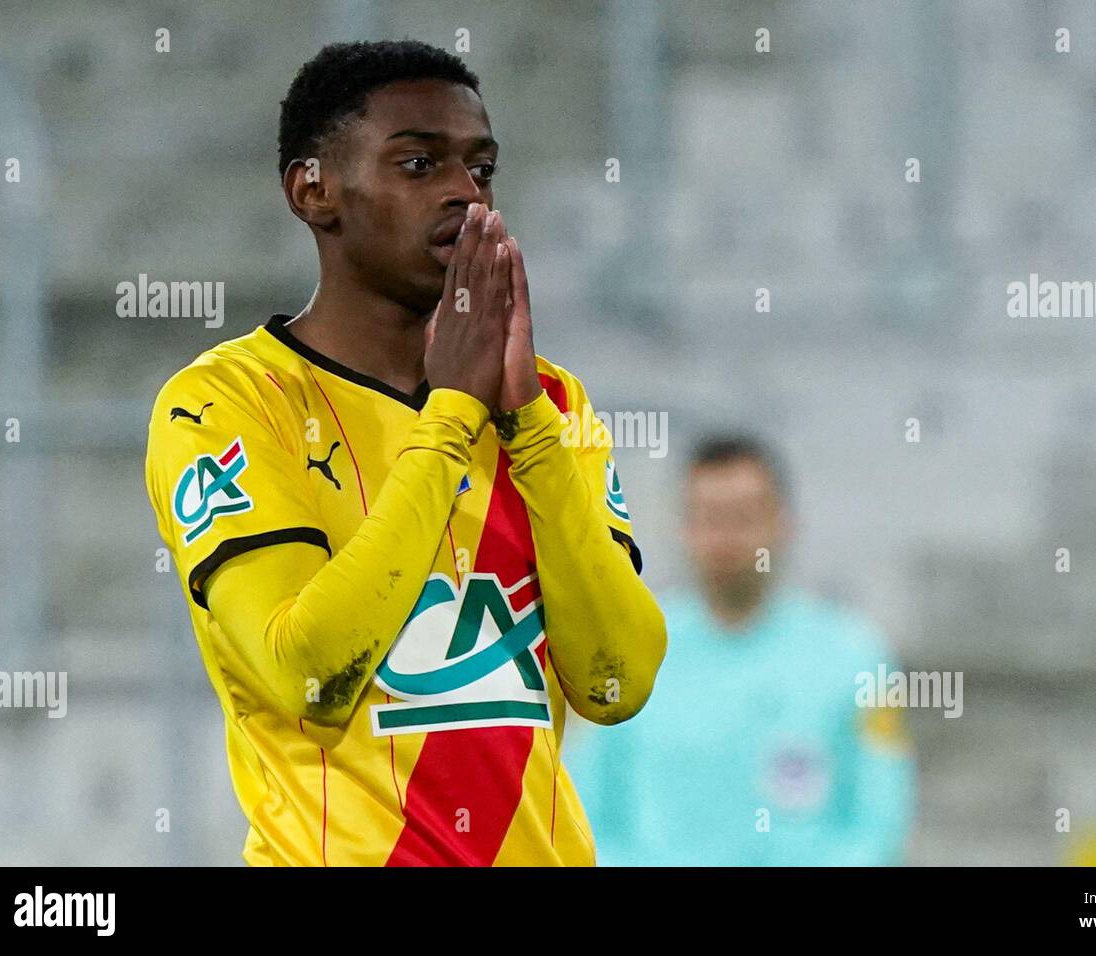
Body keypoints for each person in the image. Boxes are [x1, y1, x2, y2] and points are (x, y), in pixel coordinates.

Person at [142, 40, 666, 866]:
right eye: (420, 163)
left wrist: (523, 425)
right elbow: (308, 679)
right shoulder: (227, 403)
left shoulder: (549, 405)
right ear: (313, 190)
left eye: (482, 170)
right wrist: (453, 414)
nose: (464, 192)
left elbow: (617, 683)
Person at [565, 435, 914, 865]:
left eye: (744, 518)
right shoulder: (626, 654)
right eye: (710, 518)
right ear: (683, 528)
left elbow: (876, 825)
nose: (725, 538)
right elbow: (586, 819)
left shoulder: (854, 657)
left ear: (784, 524)